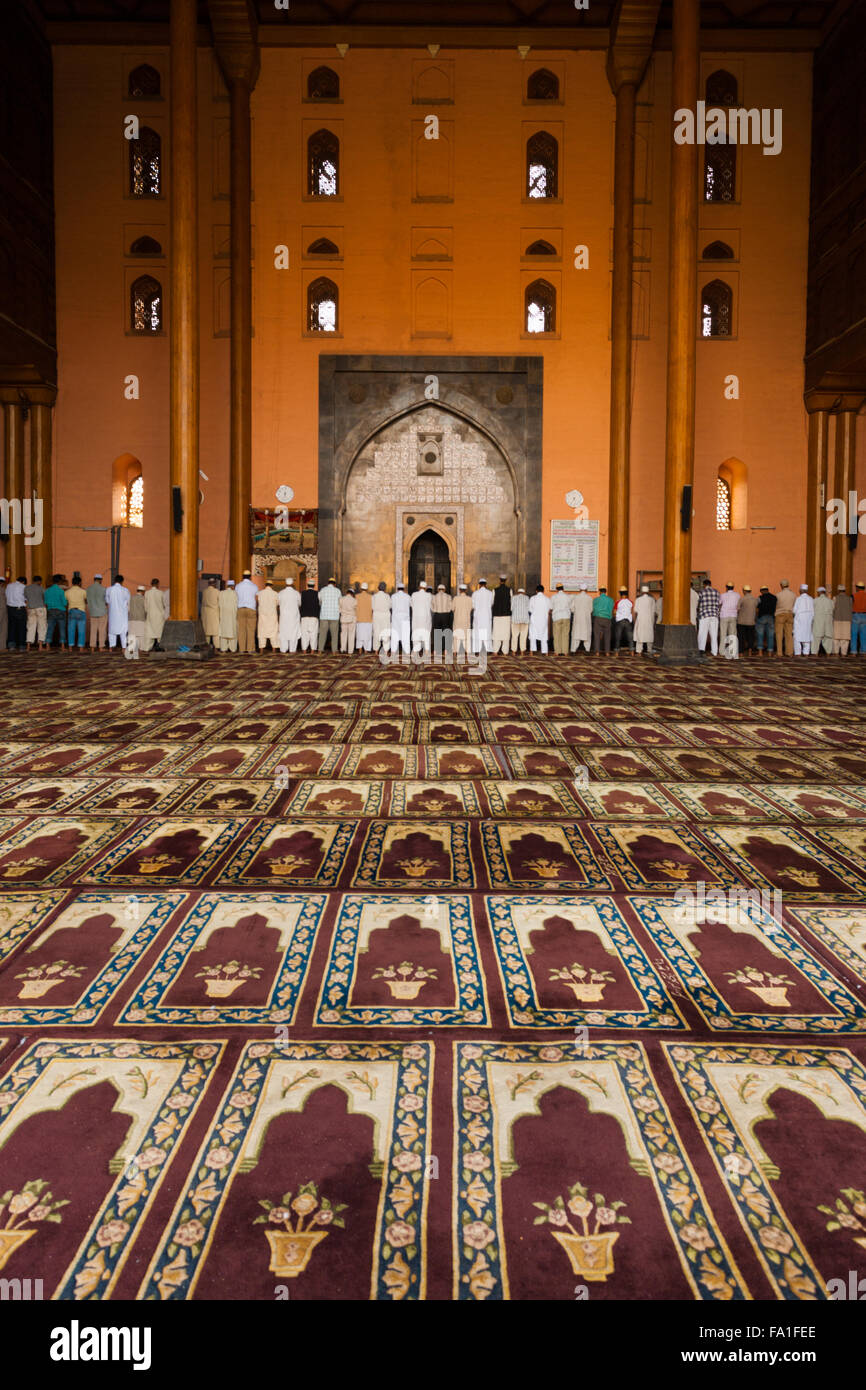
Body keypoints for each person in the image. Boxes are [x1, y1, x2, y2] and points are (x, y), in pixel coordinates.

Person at [236, 570, 259, 654]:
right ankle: (250, 649)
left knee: (241, 629)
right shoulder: (254, 586)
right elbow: (256, 596)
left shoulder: (238, 586)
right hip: (251, 609)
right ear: (250, 577)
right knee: (251, 629)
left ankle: (242, 649)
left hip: (241, 609)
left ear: (242, 576)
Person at [44, 574, 68, 650]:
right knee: (62, 628)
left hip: (51, 610)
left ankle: (47, 645)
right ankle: (63, 646)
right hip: (61, 610)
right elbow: (64, 603)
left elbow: (46, 602)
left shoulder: (47, 591)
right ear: (60, 581)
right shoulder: (61, 591)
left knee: (50, 628)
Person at [317, 575, 341, 652]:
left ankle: (320, 650)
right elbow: (340, 603)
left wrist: (323, 606)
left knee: (322, 634)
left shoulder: (323, 590)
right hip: (334, 616)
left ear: (328, 583)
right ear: (334, 584)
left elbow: (320, 601)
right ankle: (334, 651)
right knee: (334, 635)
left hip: (324, 615)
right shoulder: (338, 591)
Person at [697, 578, 721, 655]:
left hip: (704, 615)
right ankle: (714, 652)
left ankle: (701, 650)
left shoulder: (701, 592)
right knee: (714, 635)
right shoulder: (717, 592)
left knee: (702, 634)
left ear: (704, 585)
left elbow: (698, 603)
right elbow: (719, 603)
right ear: (710, 584)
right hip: (714, 615)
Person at [107, 574, 130, 651]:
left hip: (112, 614)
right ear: (122, 581)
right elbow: (128, 602)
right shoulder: (125, 590)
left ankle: (111, 647)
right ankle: (124, 647)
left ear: (114, 580)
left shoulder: (109, 589)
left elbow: (107, 601)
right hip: (122, 614)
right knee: (123, 631)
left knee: (111, 631)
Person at [86, 573, 109, 652]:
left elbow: (87, 601)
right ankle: (101, 647)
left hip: (92, 612)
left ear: (94, 579)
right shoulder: (103, 589)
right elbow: (106, 601)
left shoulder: (88, 589)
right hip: (102, 611)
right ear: (100, 580)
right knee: (102, 629)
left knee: (93, 629)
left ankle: (92, 647)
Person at [279, 577, 301, 654]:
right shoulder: (296, 593)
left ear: (286, 584)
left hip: (284, 616)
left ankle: (283, 649)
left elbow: (278, 603)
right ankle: (292, 649)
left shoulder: (281, 593)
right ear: (292, 584)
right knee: (293, 633)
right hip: (293, 616)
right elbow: (299, 604)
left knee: (283, 632)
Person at [471, 577, 494, 654]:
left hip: (478, 616)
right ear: (485, 584)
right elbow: (491, 604)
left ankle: (477, 649)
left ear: (479, 585)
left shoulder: (475, 593)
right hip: (487, 615)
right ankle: (487, 649)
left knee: (477, 632)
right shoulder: (490, 593)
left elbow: (473, 605)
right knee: (487, 632)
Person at [65, 574, 87, 652]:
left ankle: (70, 647)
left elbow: (65, 602)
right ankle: (81, 648)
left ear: (72, 583)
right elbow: (86, 600)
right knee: (81, 630)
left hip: (71, 610)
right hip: (81, 611)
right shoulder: (83, 591)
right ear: (80, 583)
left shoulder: (67, 592)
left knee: (71, 630)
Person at [25, 573, 46, 650]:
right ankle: (40, 646)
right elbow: (45, 597)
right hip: (40, 608)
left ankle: (28, 646)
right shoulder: (41, 588)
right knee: (42, 626)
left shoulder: (26, 588)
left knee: (30, 627)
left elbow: (26, 597)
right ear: (39, 581)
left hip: (30, 609)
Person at [410, 580, 433, 655]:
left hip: (416, 618)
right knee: (426, 635)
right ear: (425, 588)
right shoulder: (429, 595)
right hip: (426, 618)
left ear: (419, 587)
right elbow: (431, 607)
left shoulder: (414, 595)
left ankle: (415, 652)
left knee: (416, 634)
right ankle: (426, 652)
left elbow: (411, 605)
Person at [528, 583, 552, 653]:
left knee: (533, 635)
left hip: (534, 620)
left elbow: (530, 609)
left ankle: (532, 651)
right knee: (544, 636)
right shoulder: (547, 599)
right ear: (543, 591)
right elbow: (550, 608)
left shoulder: (533, 598)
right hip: (543, 620)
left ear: (536, 591)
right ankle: (545, 651)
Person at [257, 579, 279, 653]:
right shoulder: (275, 593)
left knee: (262, 632)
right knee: (273, 632)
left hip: (263, 615)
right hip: (272, 615)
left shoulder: (260, 593)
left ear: (265, 585)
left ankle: (261, 650)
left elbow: (258, 602)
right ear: (272, 586)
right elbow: (277, 604)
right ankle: (274, 649)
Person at [633, 584, 655, 656]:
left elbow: (635, 610)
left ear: (642, 592)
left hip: (641, 619)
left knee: (640, 634)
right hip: (649, 619)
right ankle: (649, 650)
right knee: (649, 634)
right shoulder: (652, 600)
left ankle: (639, 651)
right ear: (648, 592)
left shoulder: (638, 599)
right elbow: (654, 610)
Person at [491, 575, 512, 654]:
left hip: (497, 615)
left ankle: (495, 651)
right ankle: (505, 652)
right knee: (506, 634)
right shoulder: (509, 590)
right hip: (506, 615)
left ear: (500, 581)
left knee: (496, 633)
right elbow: (511, 602)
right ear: (505, 580)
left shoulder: (495, 590)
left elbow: (492, 602)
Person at [774, 579, 795, 656]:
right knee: (789, 634)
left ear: (781, 586)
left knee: (779, 634)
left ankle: (779, 652)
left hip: (780, 614)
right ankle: (789, 652)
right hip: (789, 614)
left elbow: (776, 605)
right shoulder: (793, 594)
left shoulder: (778, 595)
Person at [719, 583, 741, 656]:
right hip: (733, 615)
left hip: (724, 615)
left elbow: (719, 603)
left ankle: (722, 651)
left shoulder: (722, 595)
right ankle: (732, 651)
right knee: (733, 634)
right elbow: (738, 605)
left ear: (726, 587)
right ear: (733, 587)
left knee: (723, 634)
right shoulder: (737, 595)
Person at [145, 578, 166, 652]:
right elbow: (164, 604)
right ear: (157, 584)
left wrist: (147, 611)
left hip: (150, 614)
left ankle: (147, 647)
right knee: (160, 631)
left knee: (150, 632)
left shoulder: (147, 593)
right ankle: (160, 645)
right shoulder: (161, 593)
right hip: (159, 615)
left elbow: (146, 606)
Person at [570, 582, 592, 653]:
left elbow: (572, 608)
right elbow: (591, 609)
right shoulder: (589, 598)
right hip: (586, 619)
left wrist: (576, 612)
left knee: (576, 634)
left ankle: (573, 650)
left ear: (580, 589)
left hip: (578, 619)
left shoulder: (576, 597)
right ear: (586, 589)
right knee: (587, 635)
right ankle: (587, 650)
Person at [812, 585, 833, 657]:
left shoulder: (815, 600)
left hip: (818, 621)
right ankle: (828, 653)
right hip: (828, 621)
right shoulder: (830, 601)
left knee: (816, 637)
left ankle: (815, 653)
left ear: (818, 593)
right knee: (828, 637)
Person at [591, 586, 614, 655]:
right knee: (607, 636)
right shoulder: (611, 600)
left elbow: (594, 610)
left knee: (597, 635)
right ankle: (607, 652)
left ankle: (597, 652)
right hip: (607, 619)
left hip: (598, 618)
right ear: (605, 591)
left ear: (600, 592)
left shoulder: (596, 600)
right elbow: (611, 610)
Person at [6, 576, 26, 651]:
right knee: (21, 628)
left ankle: (11, 645)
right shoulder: (23, 586)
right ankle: (21, 646)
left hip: (10, 608)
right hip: (19, 608)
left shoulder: (9, 585)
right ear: (23, 581)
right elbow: (25, 598)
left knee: (11, 627)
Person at [551, 583, 572, 655]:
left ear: (557, 589)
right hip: (566, 616)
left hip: (557, 617)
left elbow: (551, 607)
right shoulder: (568, 597)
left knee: (557, 635)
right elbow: (571, 607)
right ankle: (565, 652)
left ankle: (557, 652)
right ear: (563, 588)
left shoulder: (554, 597)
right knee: (565, 635)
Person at [793, 583, 814, 655]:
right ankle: (806, 652)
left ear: (801, 591)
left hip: (799, 619)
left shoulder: (798, 599)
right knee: (807, 636)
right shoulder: (811, 599)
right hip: (809, 619)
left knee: (797, 636)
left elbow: (794, 610)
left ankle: (798, 652)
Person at [391, 581, 411, 656]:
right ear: (404, 589)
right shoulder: (408, 596)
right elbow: (411, 605)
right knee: (405, 636)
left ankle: (393, 652)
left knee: (395, 636)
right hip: (405, 619)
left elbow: (391, 606)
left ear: (397, 588)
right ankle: (407, 653)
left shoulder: (393, 596)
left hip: (395, 619)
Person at [431, 583, 452, 654]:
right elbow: (450, 607)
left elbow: (432, 607)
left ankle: (436, 650)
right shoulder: (448, 596)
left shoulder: (434, 597)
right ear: (444, 589)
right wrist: (447, 611)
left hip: (437, 615)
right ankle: (445, 650)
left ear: (438, 590)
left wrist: (435, 610)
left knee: (437, 632)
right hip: (445, 615)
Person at [755, 585, 776, 655]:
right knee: (770, 635)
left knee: (760, 635)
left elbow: (757, 608)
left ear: (761, 591)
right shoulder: (774, 597)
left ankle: (760, 652)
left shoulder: (760, 598)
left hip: (762, 617)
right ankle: (770, 652)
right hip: (771, 617)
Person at [737, 585, 757, 656]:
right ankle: (750, 651)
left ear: (744, 591)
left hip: (742, 621)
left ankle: (741, 652)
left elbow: (738, 609)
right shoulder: (755, 599)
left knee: (741, 638)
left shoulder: (742, 599)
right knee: (750, 638)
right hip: (751, 622)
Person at [452, 583, 472, 656]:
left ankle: (455, 651)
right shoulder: (469, 599)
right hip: (466, 619)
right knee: (466, 636)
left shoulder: (455, 598)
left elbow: (452, 608)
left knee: (456, 636)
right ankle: (467, 651)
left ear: (459, 590)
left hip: (457, 619)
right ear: (466, 590)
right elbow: (471, 608)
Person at [833, 584, 852, 656]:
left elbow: (833, 608)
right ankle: (844, 653)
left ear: (838, 590)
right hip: (847, 620)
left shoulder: (835, 598)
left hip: (837, 619)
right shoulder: (849, 598)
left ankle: (836, 652)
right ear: (845, 590)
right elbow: (851, 608)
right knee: (845, 638)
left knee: (836, 637)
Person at [613, 587, 634, 653]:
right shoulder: (630, 602)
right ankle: (632, 651)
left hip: (620, 621)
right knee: (630, 637)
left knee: (618, 637)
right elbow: (631, 611)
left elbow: (614, 612)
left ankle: (617, 652)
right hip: (628, 620)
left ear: (620, 594)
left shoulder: (618, 602)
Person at [299, 584, 319, 653]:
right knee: (313, 634)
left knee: (304, 634)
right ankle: (312, 650)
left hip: (304, 616)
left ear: (307, 585)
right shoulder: (317, 593)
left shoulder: (303, 593)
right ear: (314, 586)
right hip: (314, 616)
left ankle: (304, 650)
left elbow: (300, 604)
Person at [371, 582, 391, 653]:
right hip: (385, 616)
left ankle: (376, 650)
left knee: (376, 632)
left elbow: (372, 607)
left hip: (376, 615)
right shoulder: (387, 596)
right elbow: (390, 606)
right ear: (385, 588)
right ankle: (385, 650)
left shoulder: (374, 596)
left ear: (378, 587)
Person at [128, 584, 147, 652]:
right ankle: (141, 648)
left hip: (132, 618)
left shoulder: (131, 598)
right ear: (143, 592)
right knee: (141, 635)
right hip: (141, 619)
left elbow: (128, 609)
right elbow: (146, 609)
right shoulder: (144, 598)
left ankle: (132, 648)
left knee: (132, 634)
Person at [201, 578, 220, 647]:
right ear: (214, 583)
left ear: (208, 583)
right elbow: (219, 603)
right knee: (215, 632)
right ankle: (217, 647)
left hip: (206, 614)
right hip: (214, 613)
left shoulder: (204, 591)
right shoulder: (217, 591)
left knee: (207, 632)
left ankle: (206, 646)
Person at [355, 582, 373, 653]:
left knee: (359, 635)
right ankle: (366, 650)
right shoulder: (371, 597)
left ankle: (360, 650)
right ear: (367, 589)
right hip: (368, 619)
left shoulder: (357, 596)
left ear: (361, 588)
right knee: (367, 636)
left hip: (359, 619)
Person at [339, 585, 358, 654]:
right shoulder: (354, 600)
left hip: (343, 618)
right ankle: (350, 650)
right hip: (352, 619)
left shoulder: (341, 599)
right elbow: (356, 610)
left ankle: (343, 649)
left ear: (347, 593)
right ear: (352, 594)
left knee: (343, 634)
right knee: (351, 635)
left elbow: (339, 609)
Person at [511, 587, 529, 652]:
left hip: (515, 619)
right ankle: (522, 651)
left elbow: (511, 608)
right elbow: (529, 608)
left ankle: (514, 651)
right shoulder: (527, 598)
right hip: (525, 619)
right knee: (523, 636)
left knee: (514, 636)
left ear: (518, 592)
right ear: (524, 592)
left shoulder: (514, 597)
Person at [853, 581, 866, 655]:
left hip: (855, 615)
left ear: (857, 588)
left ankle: (854, 651)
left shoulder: (854, 595)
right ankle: (863, 651)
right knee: (864, 635)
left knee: (854, 634)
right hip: (864, 615)